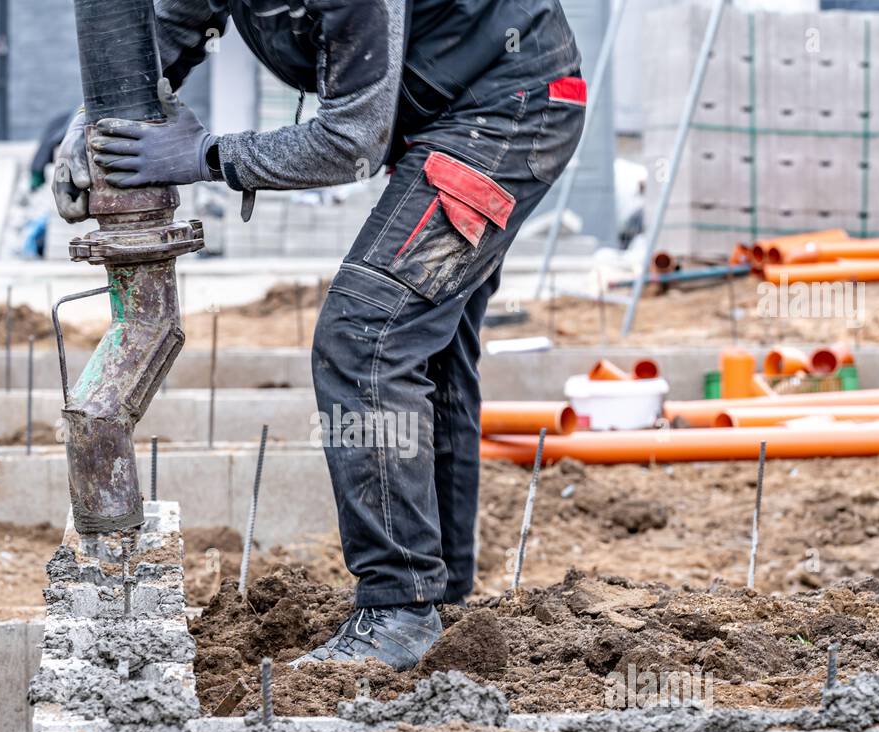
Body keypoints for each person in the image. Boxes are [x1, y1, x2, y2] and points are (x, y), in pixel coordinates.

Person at [54, 0, 586, 671]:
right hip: (435, 116)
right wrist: (94, 116)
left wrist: (203, 156)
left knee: (366, 333)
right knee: (429, 349)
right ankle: (437, 602)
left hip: (509, 111)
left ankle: (397, 610)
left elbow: (349, 141)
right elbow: (175, 22)